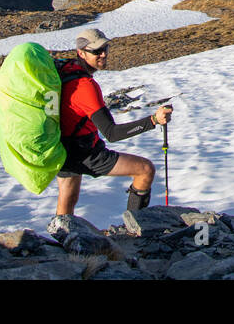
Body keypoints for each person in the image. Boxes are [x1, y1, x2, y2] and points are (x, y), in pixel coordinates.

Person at [47, 28, 172, 238]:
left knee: (67, 201)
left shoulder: (65, 71)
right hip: (87, 152)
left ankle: (63, 244)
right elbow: (112, 133)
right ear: (81, 53)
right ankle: (136, 230)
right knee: (145, 169)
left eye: (104, 48)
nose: (103, 54)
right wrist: (153, 121)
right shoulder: (84, 86)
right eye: (97, 51)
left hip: (62, 150)